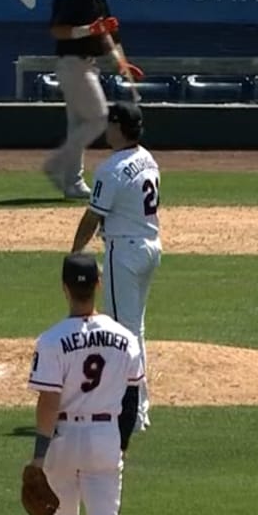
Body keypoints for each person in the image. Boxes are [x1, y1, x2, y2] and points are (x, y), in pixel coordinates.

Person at [26, 253, 146, 515]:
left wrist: (38, 458)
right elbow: (131, 401)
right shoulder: (125, 337)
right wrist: (120, 444)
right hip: (105, 438)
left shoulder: (52, 339)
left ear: (64, 288)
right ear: (97, 284)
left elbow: (48, 402)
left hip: (62, 440)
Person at [69, 101, 160, 431]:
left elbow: (94, 216)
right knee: (135, 327)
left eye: (110, 124)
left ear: (120, 127)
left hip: (124, 251)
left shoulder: (111, 169)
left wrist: (75, 252)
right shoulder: (147, 158)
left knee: (124, 333)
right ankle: (139, 405)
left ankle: (133, 412)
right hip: (150, 248)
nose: (106, 129)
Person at [42, 0, 143, 201]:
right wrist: (89, 30)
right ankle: (56, 164)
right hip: (72, 63)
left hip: (88, 64)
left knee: (78, 124)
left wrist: (120, 62)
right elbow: (57, 30)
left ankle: (72, 183)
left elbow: (109, 34)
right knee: (99, 118)